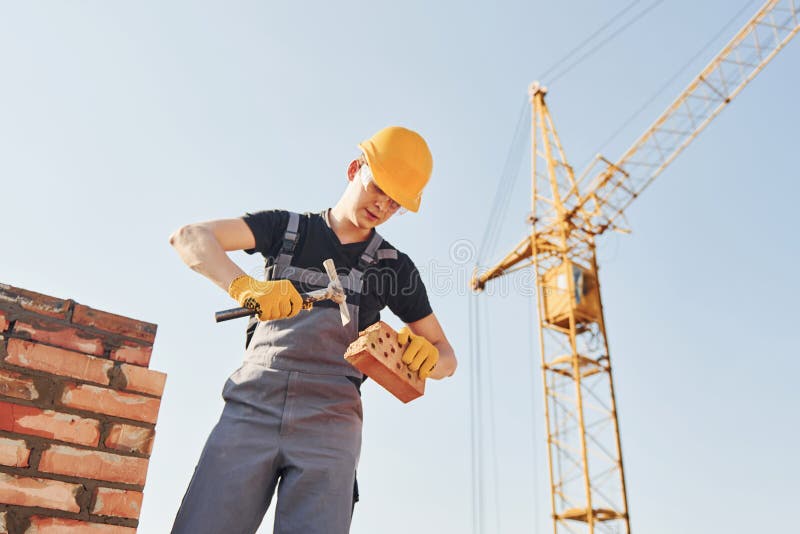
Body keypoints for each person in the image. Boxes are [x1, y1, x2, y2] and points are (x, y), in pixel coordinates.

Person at [168, 126, 457, 534]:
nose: (383, 205)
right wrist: (244, 286)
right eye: (378, 188)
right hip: (253, 406)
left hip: (331, 423)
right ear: (354, 168)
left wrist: (431, 360)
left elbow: (447, 355)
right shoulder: (287, 231)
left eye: (396, 203)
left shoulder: (394, 267)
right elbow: (189, 237)